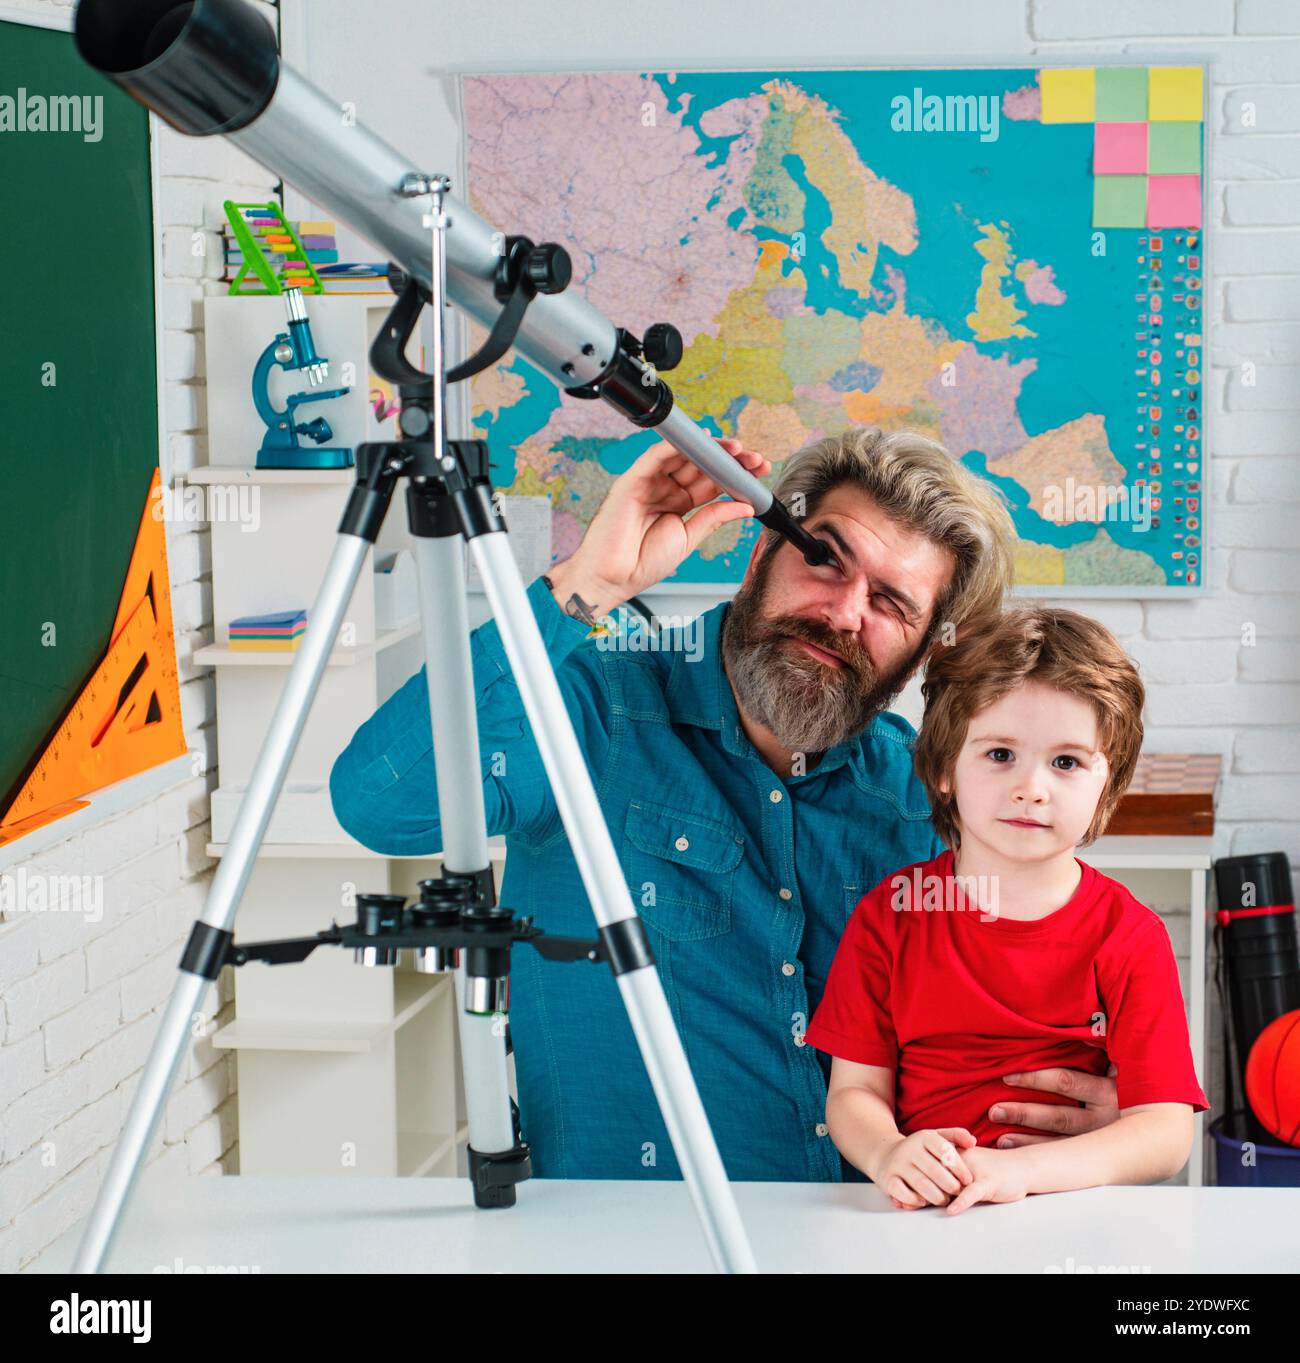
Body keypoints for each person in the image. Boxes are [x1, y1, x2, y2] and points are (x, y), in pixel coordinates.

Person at [329, 425, 1123, 1180]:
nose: (844, 612)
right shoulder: (594, 711)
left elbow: (992, 1021)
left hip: (868, 1234)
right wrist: (590, 583)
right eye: (824, 559)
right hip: (628, 1243)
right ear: (762, 554)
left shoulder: (927, 802)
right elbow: (378, 802)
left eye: (891, 604)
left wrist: (1085, 1108)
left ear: (921, 653)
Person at [805, 606, 1210, 1213]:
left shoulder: (1130, 936)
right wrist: (888, 1153)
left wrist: (1022, 1172)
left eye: (1067, 762)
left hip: (1069, 1212)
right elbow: (855, 1092)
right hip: (921, 1217)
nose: (1032, 788)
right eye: (1000, 755)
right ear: (945, 768)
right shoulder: (889, 917)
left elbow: (1166, 1132)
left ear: (1109, 784)